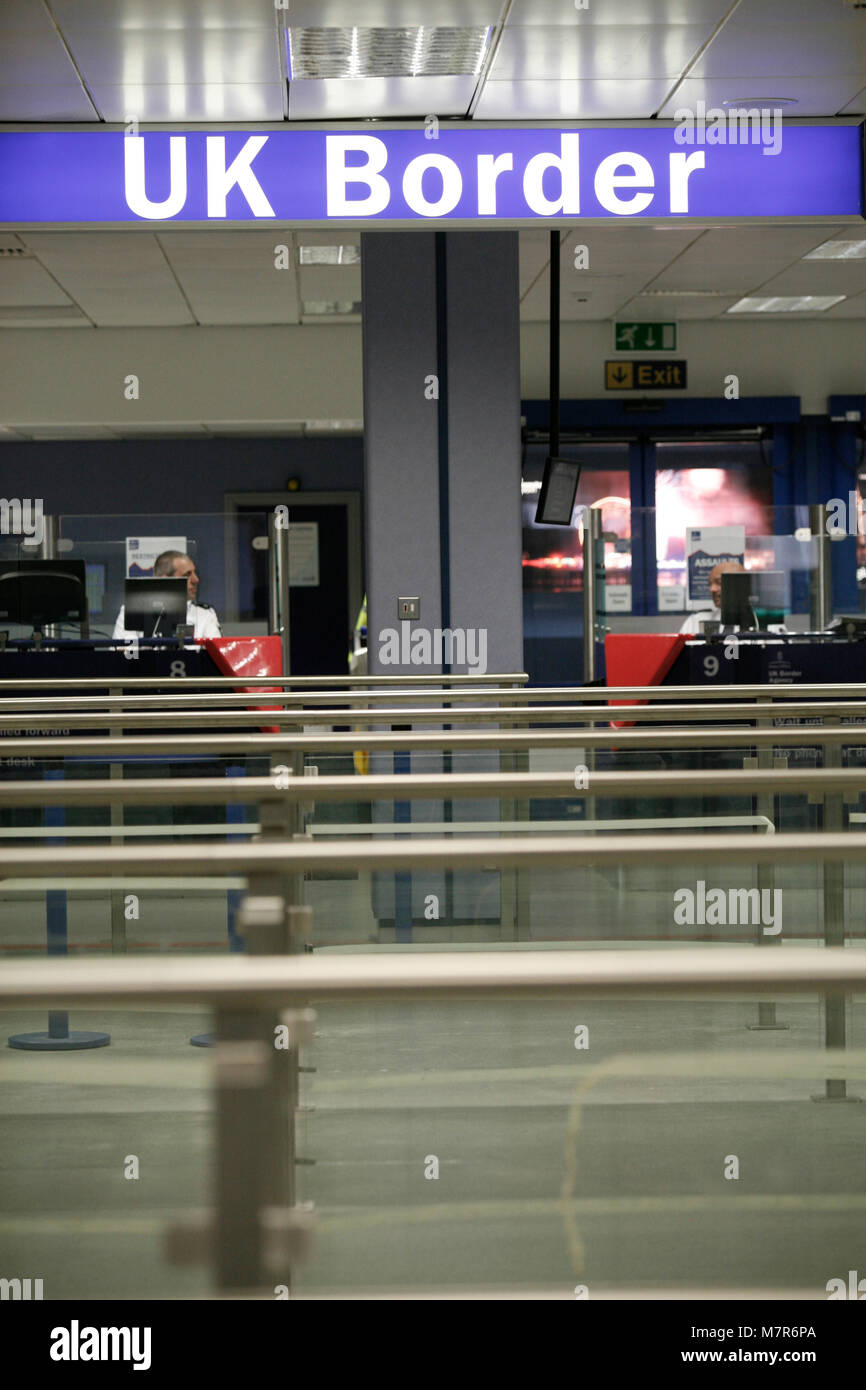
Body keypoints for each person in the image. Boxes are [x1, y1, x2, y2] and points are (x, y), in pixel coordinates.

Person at [113, 550, 221, 641]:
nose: (196, 580)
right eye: (187, 574)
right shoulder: (132, 612)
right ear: (166, 580)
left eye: (194, 573)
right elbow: (127, 655)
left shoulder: (205, 615)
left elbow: (216, 655)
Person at [678, 560, 745, 636]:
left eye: (719, 582)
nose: (712, 589)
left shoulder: (755, 623)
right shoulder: (695, 621)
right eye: (710, 584)